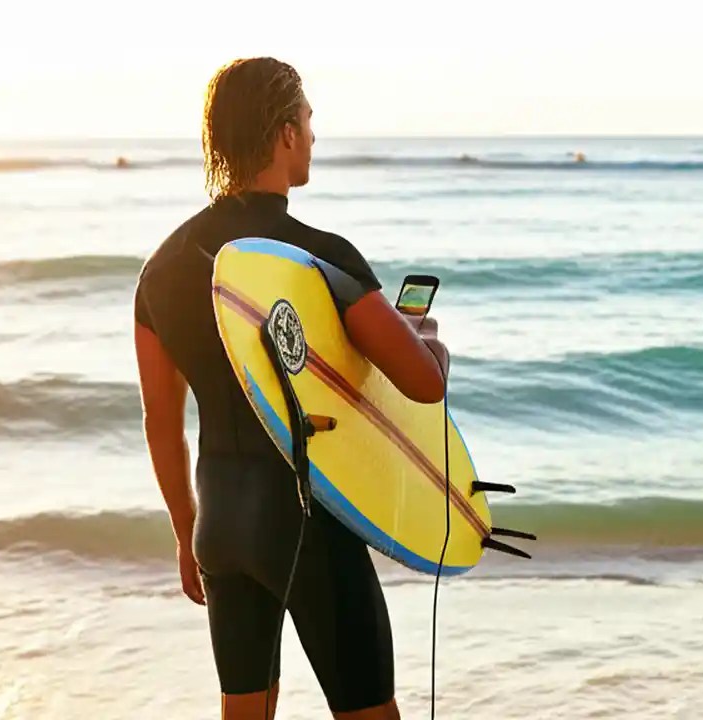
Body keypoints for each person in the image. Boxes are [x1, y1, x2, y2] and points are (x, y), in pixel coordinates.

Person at [133, 57, 448, 720]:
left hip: (219, 526)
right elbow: (421, 385)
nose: (312, 137)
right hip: (309, 529)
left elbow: (161, 424)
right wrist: (432, 346)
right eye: (307, 122)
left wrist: (188, 530)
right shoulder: (321, 258)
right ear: (282, 135)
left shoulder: (160, 270)